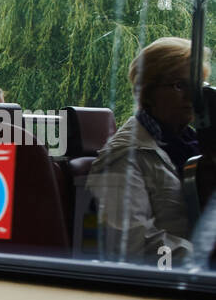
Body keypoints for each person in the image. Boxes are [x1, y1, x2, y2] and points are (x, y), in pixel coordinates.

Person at [87, 37, 206, 263]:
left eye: (197, 85)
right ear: (147, 92)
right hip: (165, 288)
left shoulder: (198, 148)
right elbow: (131, 247)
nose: (192, 97)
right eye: (179, 85)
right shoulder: (123, 156)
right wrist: (202, 260)